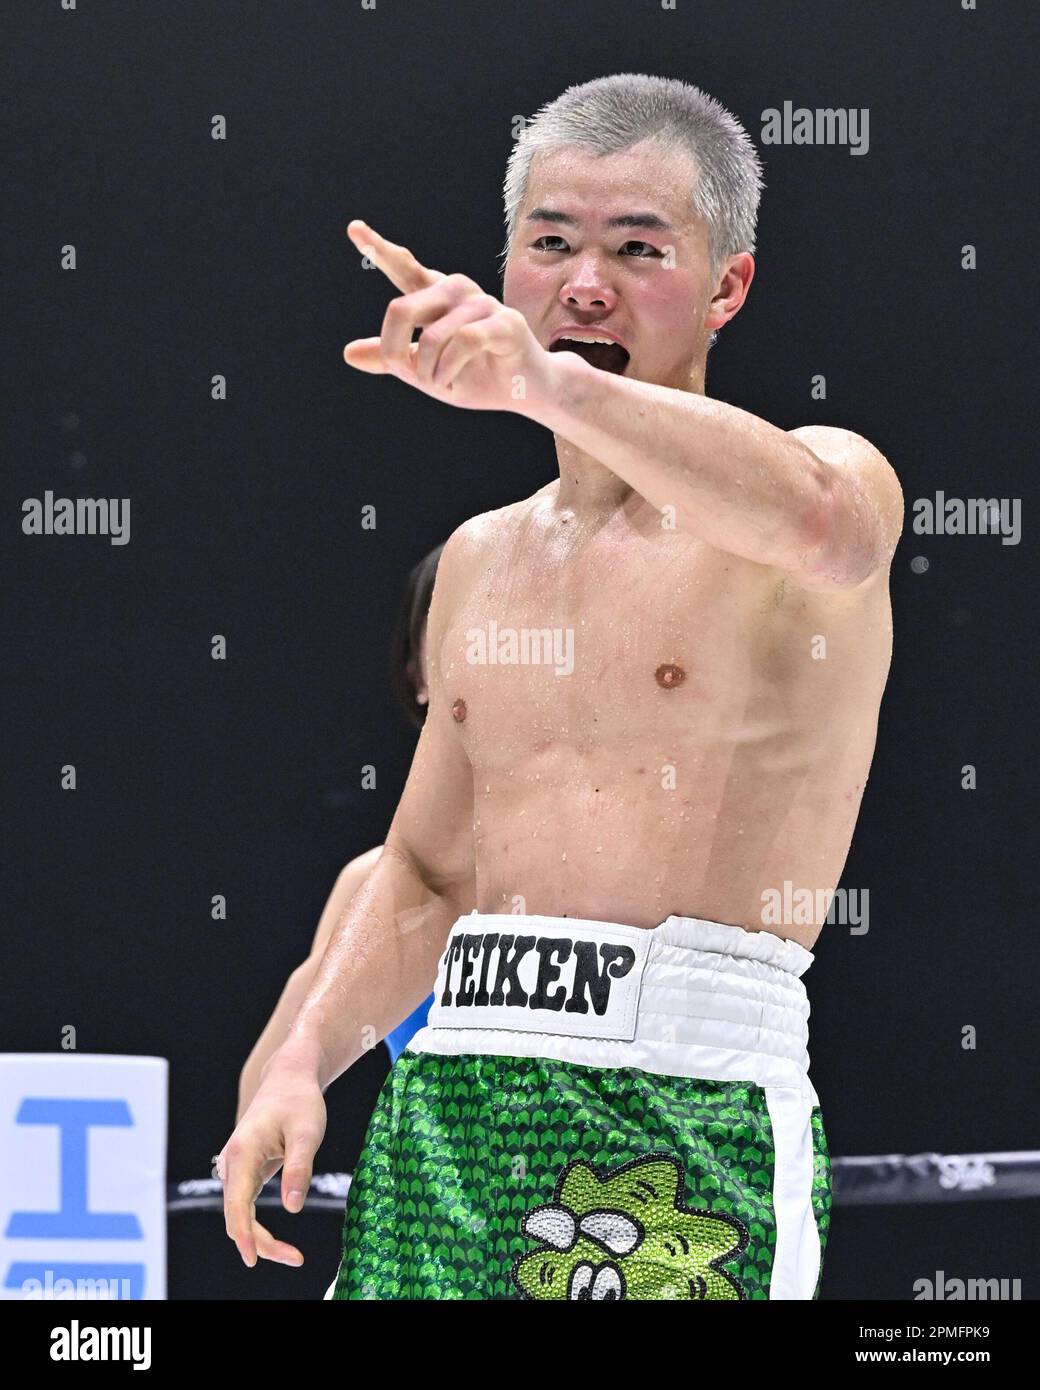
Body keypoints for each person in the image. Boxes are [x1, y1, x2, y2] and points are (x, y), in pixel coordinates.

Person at [221, 73, 904, 1301]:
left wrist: (548, 383)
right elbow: (426, 875)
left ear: (724, 285)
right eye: (550, 245)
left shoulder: (815, 483)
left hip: (678, 1111)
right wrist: (301, 1056)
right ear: (506, 270)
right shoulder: (480, 559)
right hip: (447, 1105)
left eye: (637, 247)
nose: (584, 283)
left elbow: (827, 531)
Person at [235, 545, 443, 1124]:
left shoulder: (614, 865)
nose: (484, 642)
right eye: (454, 617)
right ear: (417, 674)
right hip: (444, 1206)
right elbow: (259, 1112)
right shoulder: (369, 886)